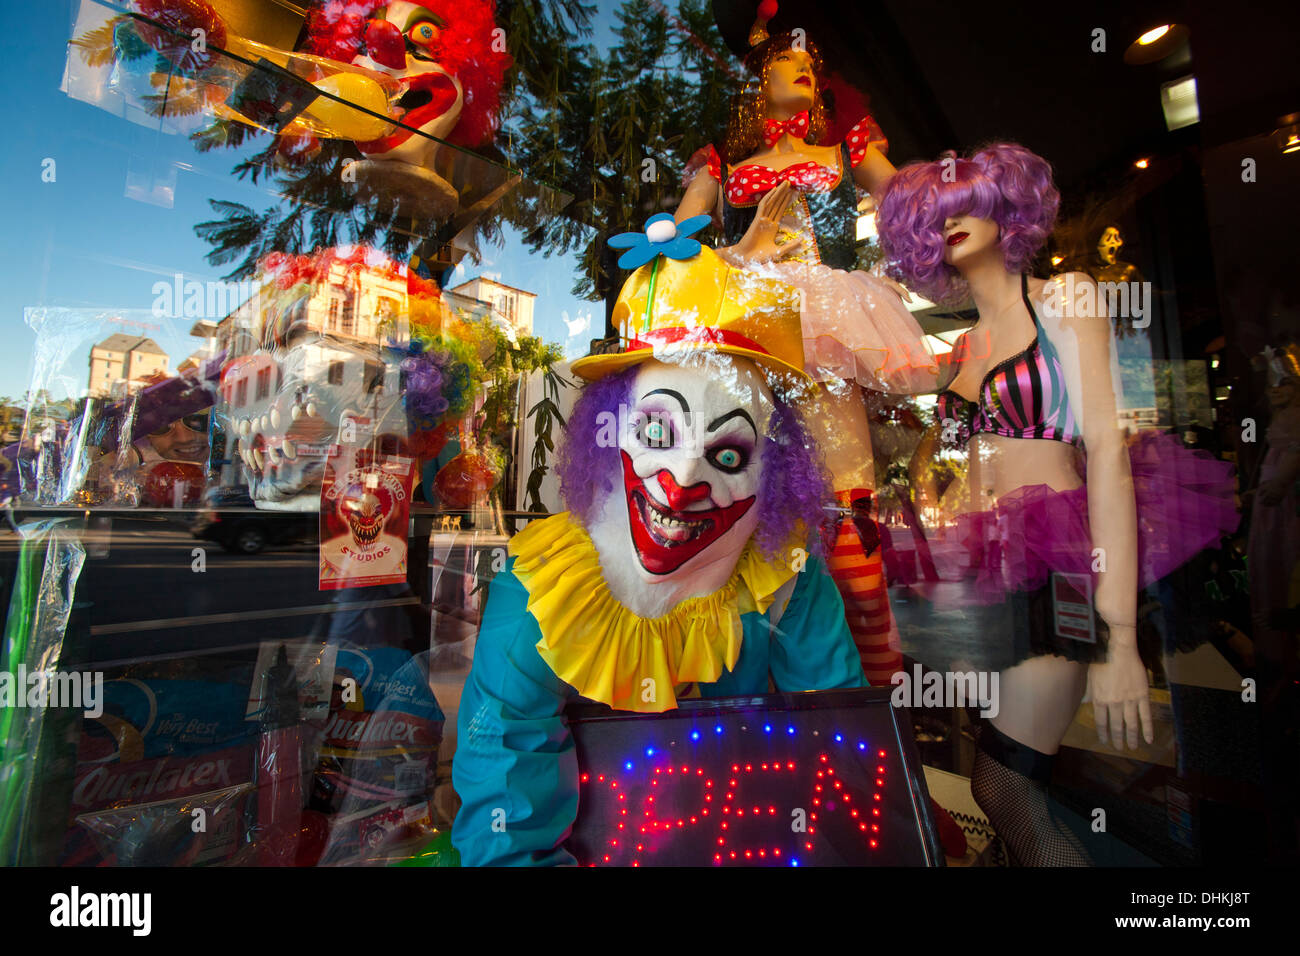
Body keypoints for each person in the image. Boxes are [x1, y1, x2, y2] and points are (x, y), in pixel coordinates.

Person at [876, 143, 1238, 865]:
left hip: (1062, 560)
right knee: (1003, 782)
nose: (950, 224)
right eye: (934, 216)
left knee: (1004, 785)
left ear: (1006, 210)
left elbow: (1105, 450)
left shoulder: (1066, 298)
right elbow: (938, 459)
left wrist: (1121, 638)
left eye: (966, 206)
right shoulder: (966, 346)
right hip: (990, 572)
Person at [451, 243, 866, 866]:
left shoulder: (784, 578)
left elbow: (839, 739)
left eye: (728, 455)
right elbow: (504, 789)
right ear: (609, 428)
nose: (683, 477)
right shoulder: (546, 585)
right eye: (655, 432)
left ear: (774, 473)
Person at [674, 3, 937, 685]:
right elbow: (672, 247)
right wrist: (736, 251)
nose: (804, 72)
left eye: (811, 67)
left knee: (849, 499)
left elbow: (917, 202)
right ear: (755, 81)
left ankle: (869, 683)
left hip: (826, 322)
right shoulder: (723, 161)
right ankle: (742, 676)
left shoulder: (848, 149)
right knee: (742, 486)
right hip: (746, 324)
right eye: (788, 62)